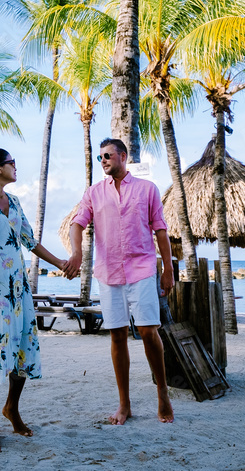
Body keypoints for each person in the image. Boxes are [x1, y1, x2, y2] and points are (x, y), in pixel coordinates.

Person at [0, 148, 72, 453]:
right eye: (11, 163)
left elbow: (30, 243)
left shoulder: (16, 202)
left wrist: (60, 263)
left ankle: (12, 407)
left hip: (17, 289)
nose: (15, 168)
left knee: (22, 347)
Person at [67, 137, 175, 425]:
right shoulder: (93, 193)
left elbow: (161, 231)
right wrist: (77, 252)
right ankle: (124, 404)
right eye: (100, 157)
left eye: (107, 155)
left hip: (141, 268)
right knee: (117, 335)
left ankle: (162, 392)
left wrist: (168, 270)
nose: (102, 160)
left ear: (123, 156)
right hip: (109, 272)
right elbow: (77, 223)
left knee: (148, 330)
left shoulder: (147, 189)